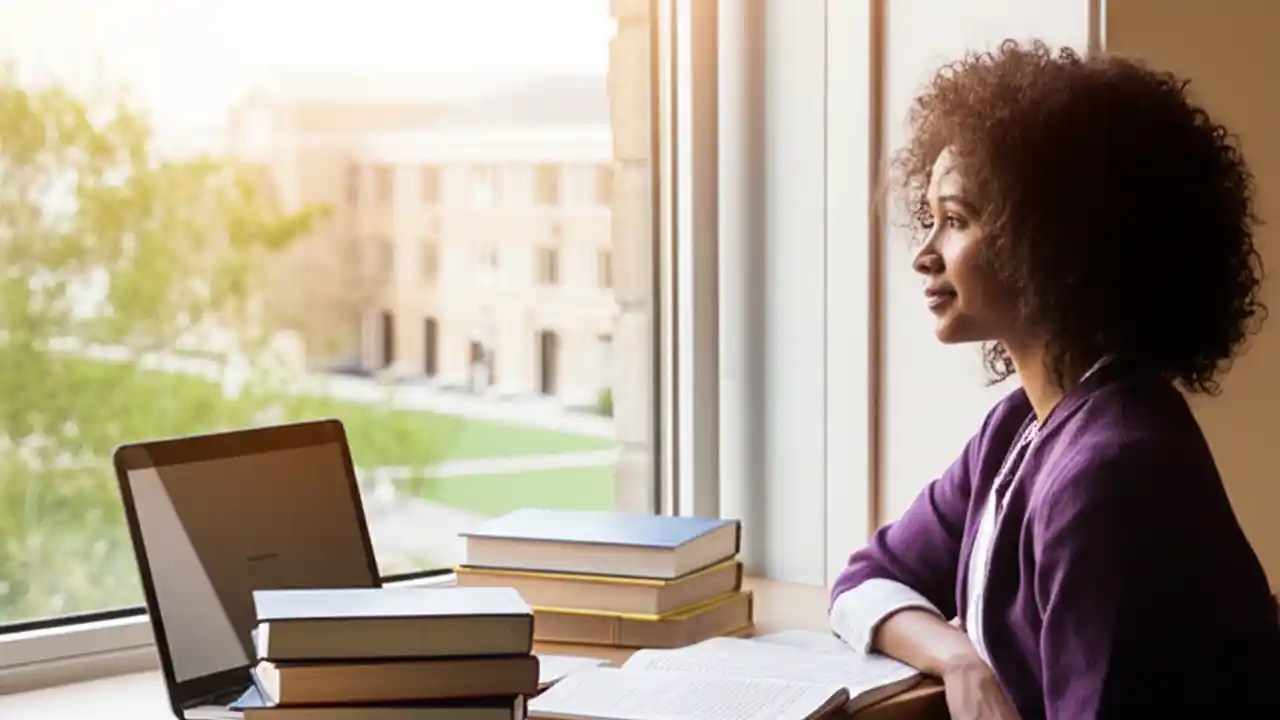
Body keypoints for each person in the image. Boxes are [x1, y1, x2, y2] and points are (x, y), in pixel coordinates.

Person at [830, 40, 1280, 719]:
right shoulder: (1018, 427)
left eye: (956, 220)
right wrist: (961, 662)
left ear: (1054, 243)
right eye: (930, 220)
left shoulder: (1111, 472)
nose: (924, 255)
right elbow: (866, 581)